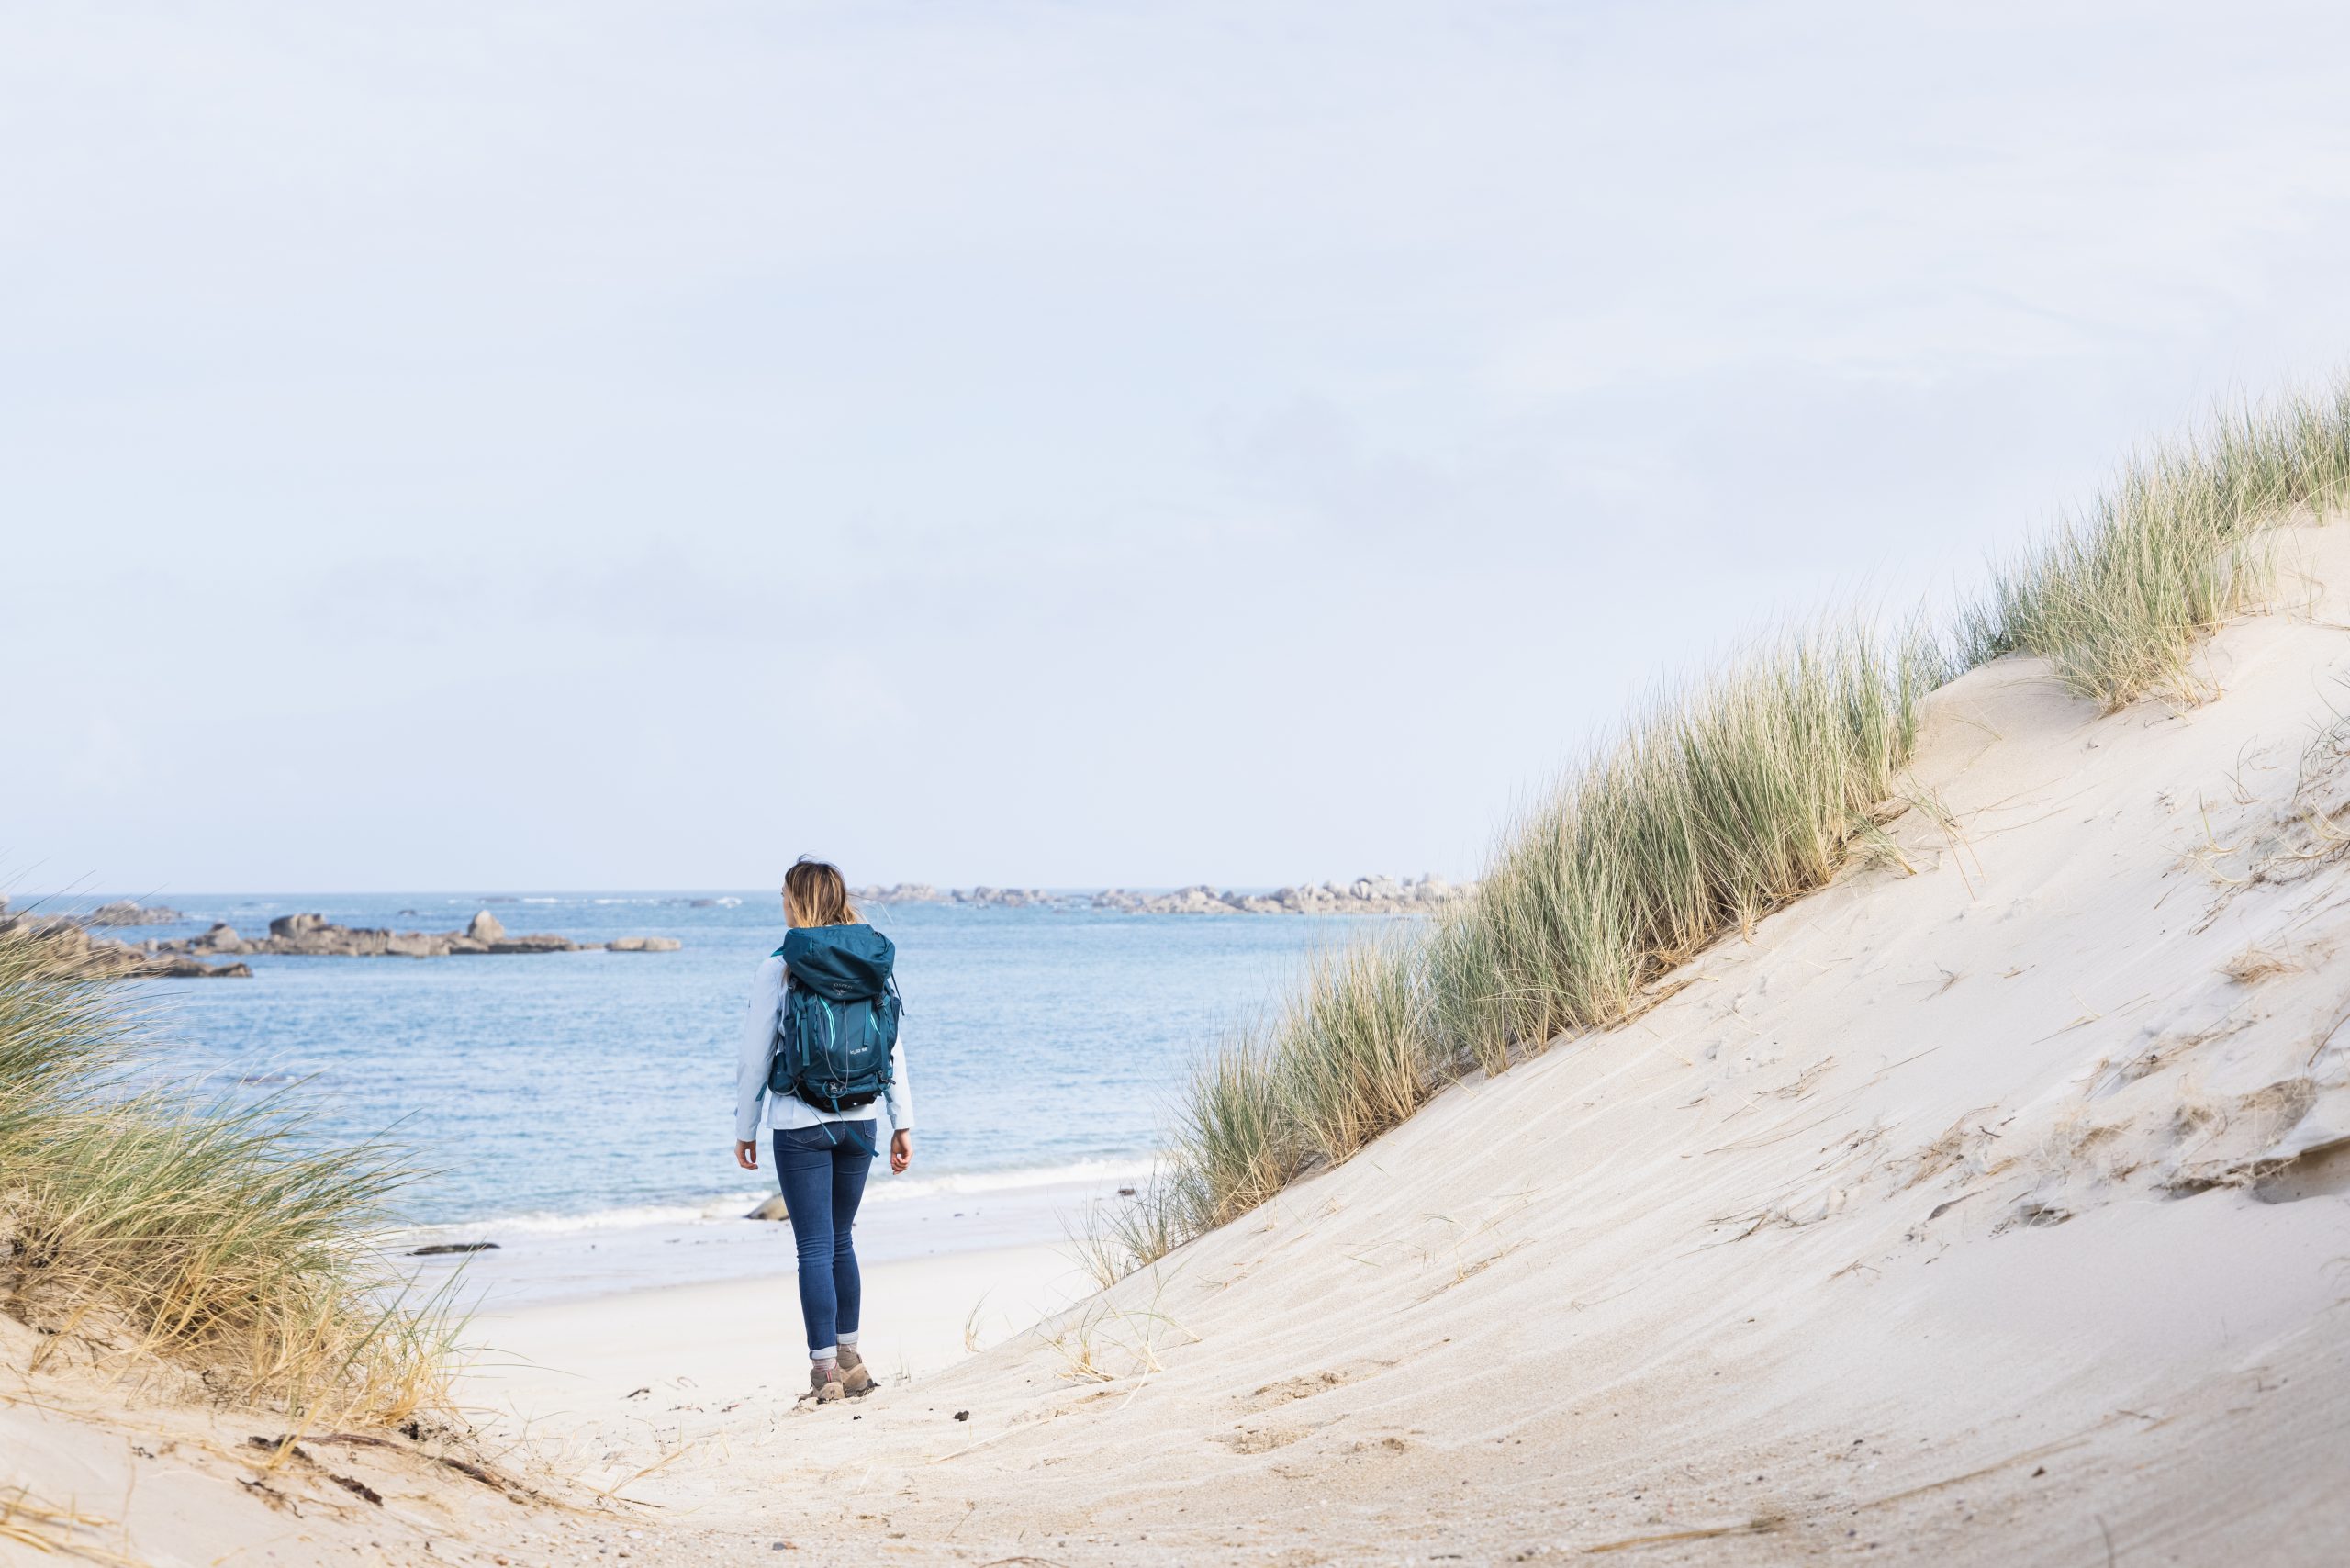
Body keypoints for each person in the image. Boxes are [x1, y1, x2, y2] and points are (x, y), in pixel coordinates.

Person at [733, 857, 913, 1403]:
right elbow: (893, 1045)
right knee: (841, 1240)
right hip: (862, 1119)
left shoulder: (780, 966)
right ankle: (852, 1358)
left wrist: (745, 1126)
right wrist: (902, 1120)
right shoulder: (872, 960)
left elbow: (756, 1054)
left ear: (796, 901)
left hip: (799, 1120)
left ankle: (825, 1374)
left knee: (812, 1246)